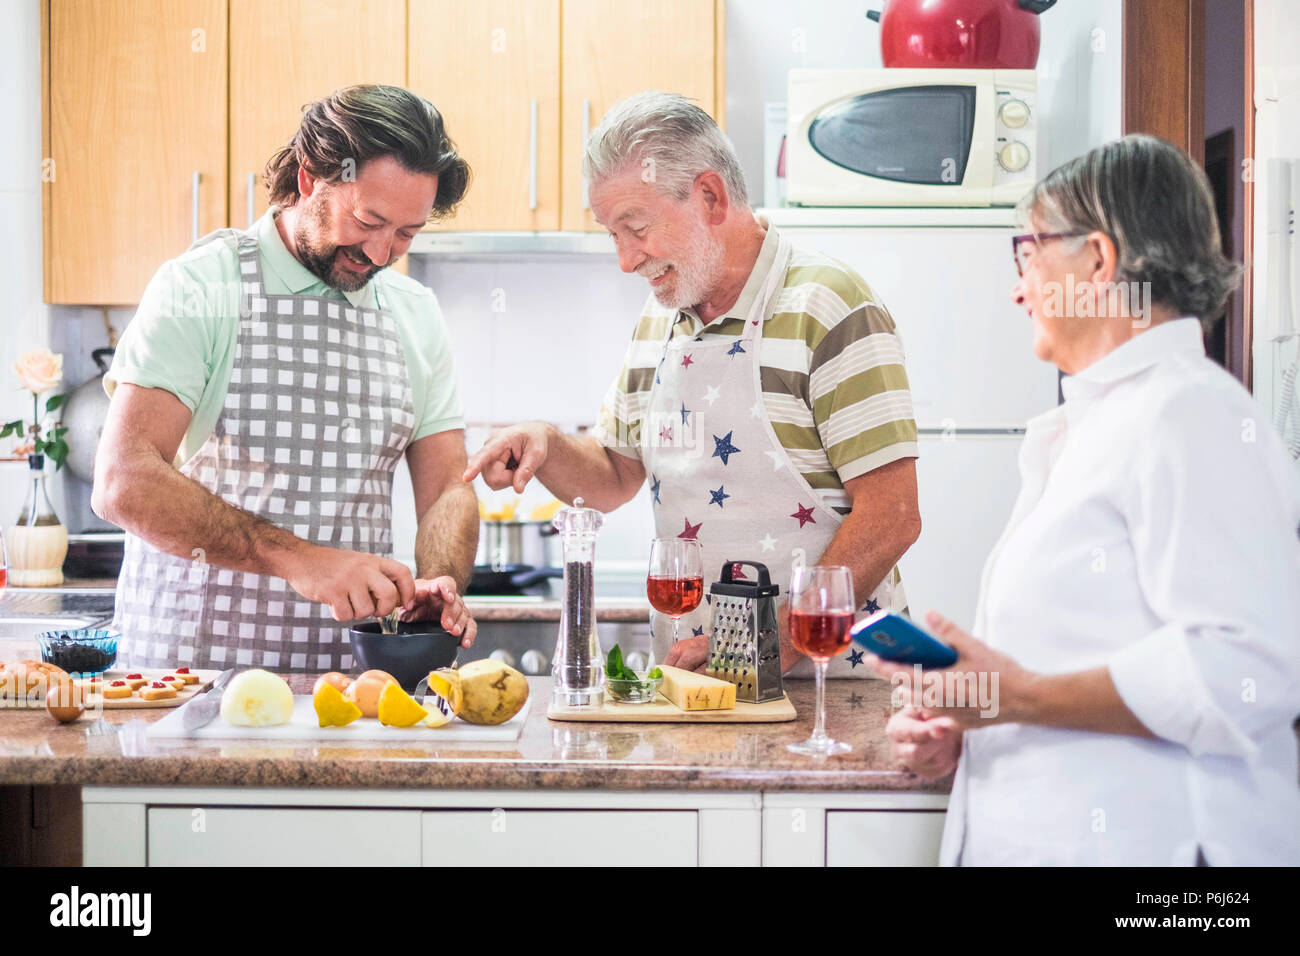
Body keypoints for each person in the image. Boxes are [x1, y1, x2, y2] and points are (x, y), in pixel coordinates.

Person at [867, 134, 1300, 866]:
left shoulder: (1191, 412)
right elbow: (1081, 660)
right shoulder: (1104, 421)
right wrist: (968, 728)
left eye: (1028, 253)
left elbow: (1247, 674)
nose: (1018, 287)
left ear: (1098, 261)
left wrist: (1016, 696)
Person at [464, 91, 922, 676]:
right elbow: (615, 474)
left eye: (637, 228)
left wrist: (770, 644)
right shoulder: (661, 318)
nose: (627, 261)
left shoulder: (829, 306)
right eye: (612, 235)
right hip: (695, 684)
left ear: (709, 196)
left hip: (834, 688)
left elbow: (894, 512)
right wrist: (548, 444)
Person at [93, 85, 480, 671]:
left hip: (349, 690)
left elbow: (449, 486)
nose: (380, 253)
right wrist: (301, 559)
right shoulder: (203, 286)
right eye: (368, 220)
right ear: (308, 179)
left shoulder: (414, 312)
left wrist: (439, 583)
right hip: (192, 682)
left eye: (406, 234)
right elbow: (125, 479)